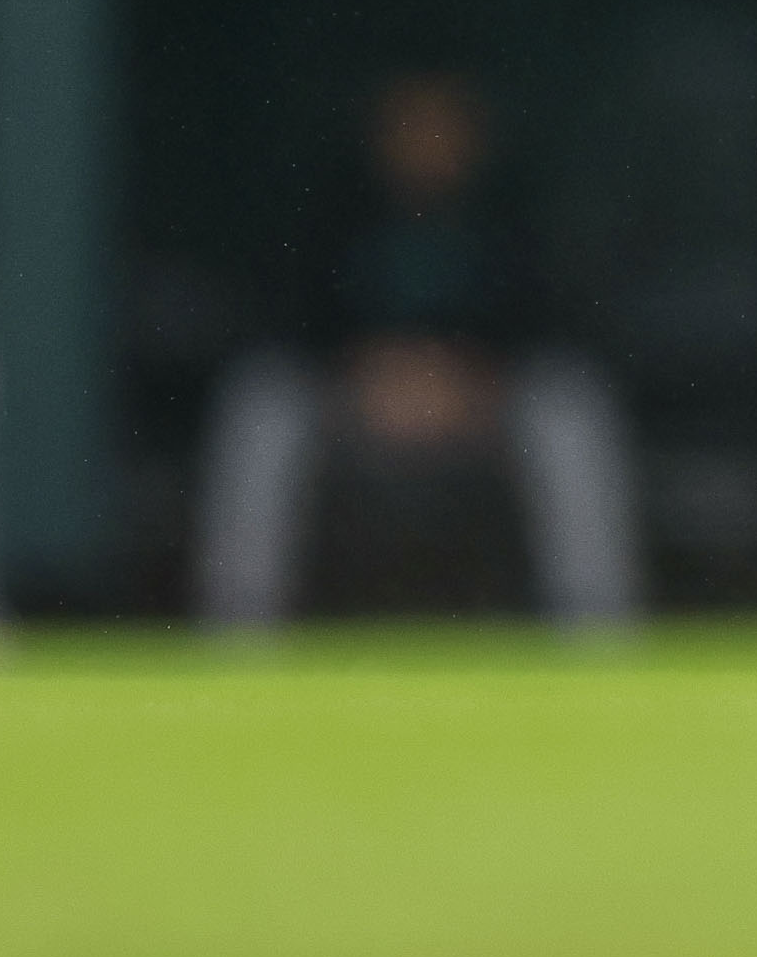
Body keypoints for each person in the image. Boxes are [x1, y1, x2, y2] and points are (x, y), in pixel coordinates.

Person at [195, 69, 640, 631]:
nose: (429, 142)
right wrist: (364, 375)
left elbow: (550, 323)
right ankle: (239, 631)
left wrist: (473, 379)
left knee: (569, 405)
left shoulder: (509, 214)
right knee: (263, 402)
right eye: (413, 126)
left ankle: (596, 631)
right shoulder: (336, 210)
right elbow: (292, 320)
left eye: (443, 127)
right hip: (353, 408)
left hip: (485, 413)